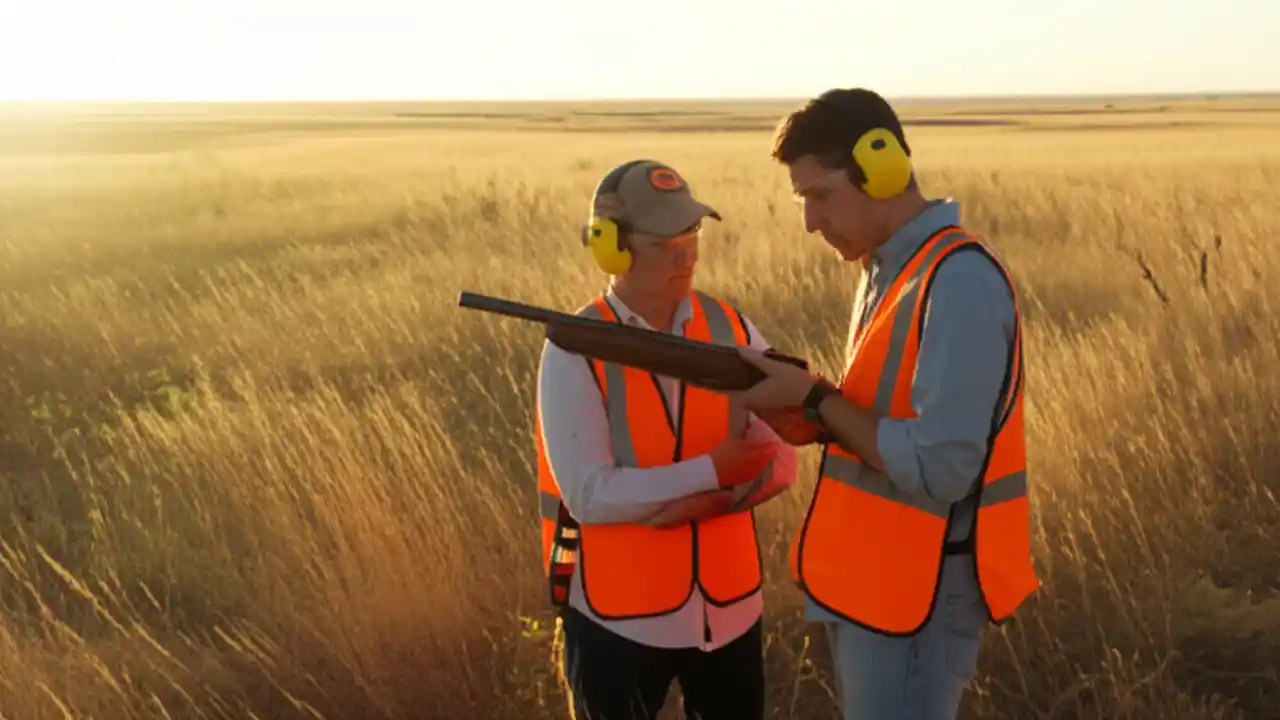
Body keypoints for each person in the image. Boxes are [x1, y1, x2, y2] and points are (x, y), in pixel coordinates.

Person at [731, 88, 1041, 719]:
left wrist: (818, 398)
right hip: (879, 584)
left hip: (918, 596)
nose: (810, 222)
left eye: (820, 196)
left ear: (884, 168)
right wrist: (812, 415)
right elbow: (885, 423)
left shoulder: (957, 281)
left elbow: (941, 469)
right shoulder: (891, 270)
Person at [534, 158, 798, 720]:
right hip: (617, 619)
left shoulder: (734, 330)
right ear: (611, 246)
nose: (687, 254)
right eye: (663, 242)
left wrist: (718, 499)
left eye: (693, 232)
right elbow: (588, 495)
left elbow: (780, 458)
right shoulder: (574, 348)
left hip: (730, 613)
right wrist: (714, 470)